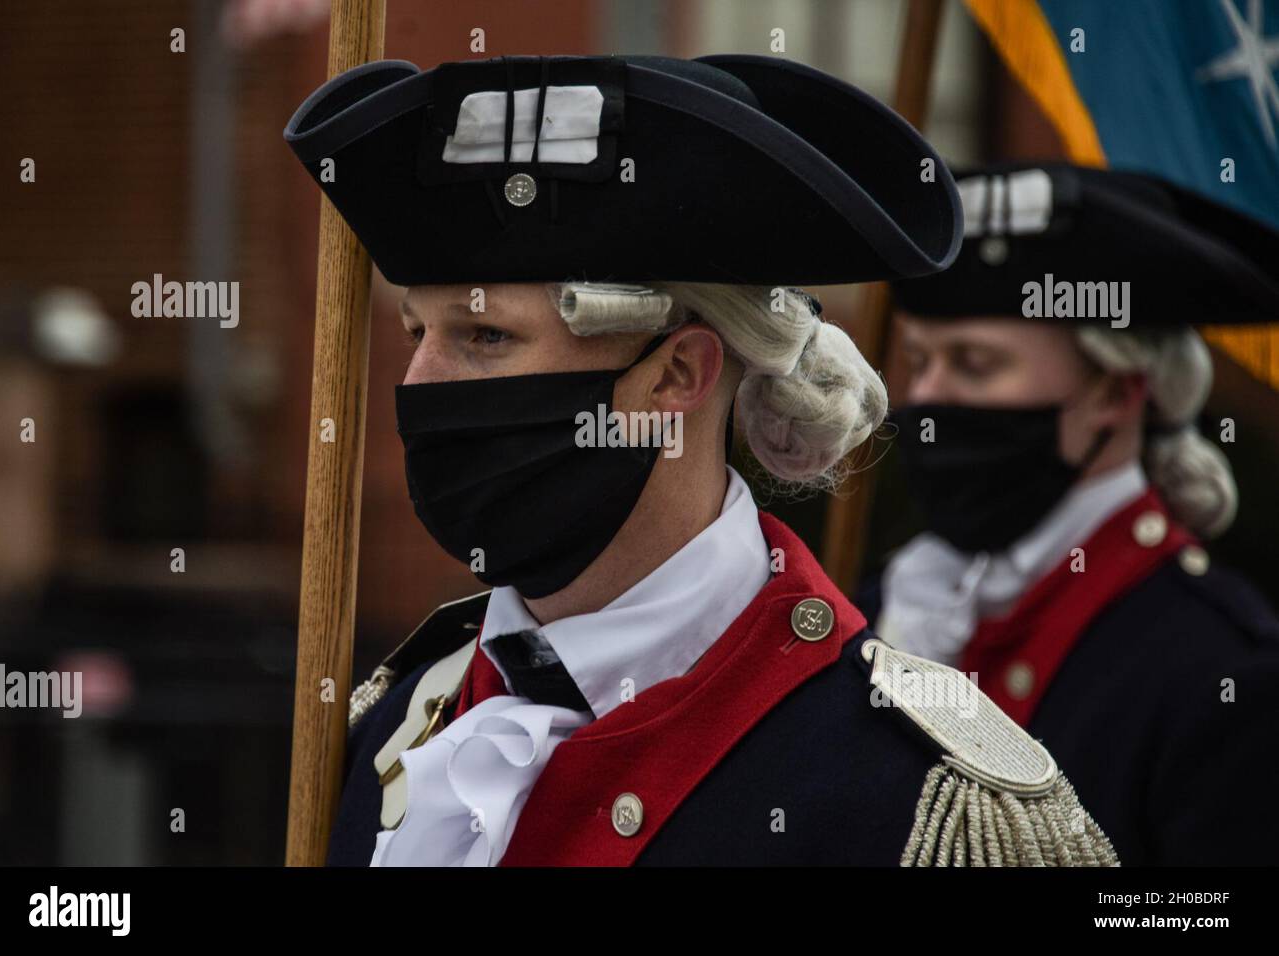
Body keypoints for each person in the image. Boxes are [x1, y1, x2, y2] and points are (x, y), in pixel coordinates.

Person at [285, 55, 1116, 866]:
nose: (418, 383)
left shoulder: (903, 796)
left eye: (485, 335)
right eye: (416, 332)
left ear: (676, 375)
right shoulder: (390, 724)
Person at [876, 162, 1279, 865]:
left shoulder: (1224, 672)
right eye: (918, 361)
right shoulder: (879, 607)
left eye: (974, 364)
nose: (927, 399)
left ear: (1115, 393)